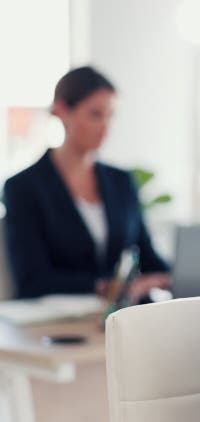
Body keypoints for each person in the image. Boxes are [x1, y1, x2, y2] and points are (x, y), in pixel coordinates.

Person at [2, 66, 170, 304]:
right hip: (59, 317)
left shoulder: (122, 181)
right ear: (62, 111)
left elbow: (149, 258)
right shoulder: (23, 187)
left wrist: (169, 276)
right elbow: (32, 279)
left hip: (122, 314)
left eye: (111, 115)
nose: (106, 126)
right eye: (95, 114)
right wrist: (105, 287)